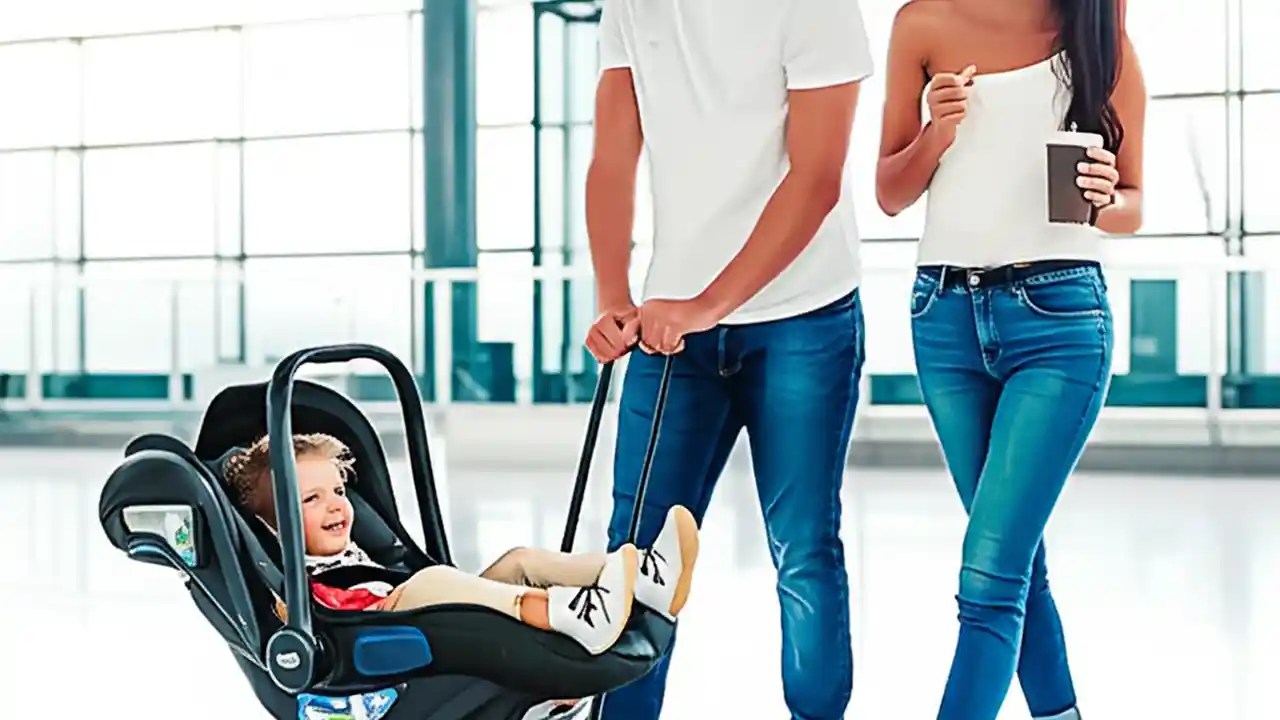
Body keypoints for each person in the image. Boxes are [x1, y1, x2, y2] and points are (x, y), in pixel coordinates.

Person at [583, 0, 875, 717]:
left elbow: (816, 179)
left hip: (804, 315)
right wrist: (613, 295)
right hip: (668, 329)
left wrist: (705, 307)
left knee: (804, 547)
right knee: (635, 554)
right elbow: (612, 160)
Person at [875, 1, 1145, 718]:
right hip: (944, 319)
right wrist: (937, 133)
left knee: (990, 577)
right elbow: (890, 194)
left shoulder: (1098, 34)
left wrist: (1102, 198)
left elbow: (1133, 202)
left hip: (1058, 323)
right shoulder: (920, 23)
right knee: (1017, 561)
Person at [225, 432, 701, 656]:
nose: (336, 507)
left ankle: (645, 578)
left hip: (418, 604)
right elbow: (302, 617)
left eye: (339, 492)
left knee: (518, 561)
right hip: (374, 626)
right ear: (276, 526)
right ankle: (574, 614)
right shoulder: (289, 577)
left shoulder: (352, 550)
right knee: (432, 579)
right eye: (312, 499)